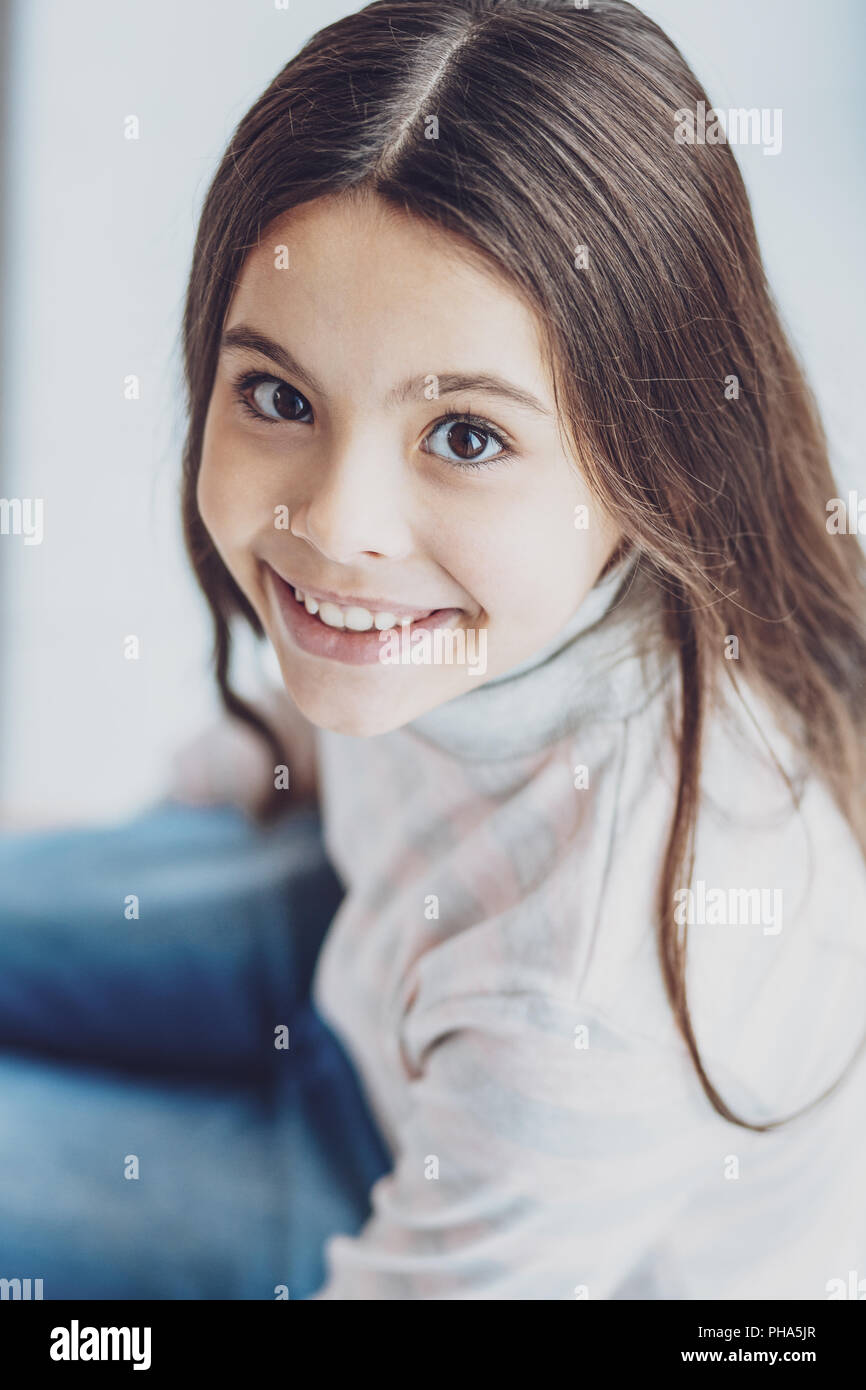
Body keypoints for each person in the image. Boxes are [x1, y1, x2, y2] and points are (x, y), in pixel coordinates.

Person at [3, 0, 866, 1300]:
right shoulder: (492, 607)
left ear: (657, 471)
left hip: (414, 1177)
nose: (336, 532)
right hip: (356, 940)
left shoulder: (598, 1001)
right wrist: (261, 763)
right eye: (278, 396)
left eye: (464, 435)